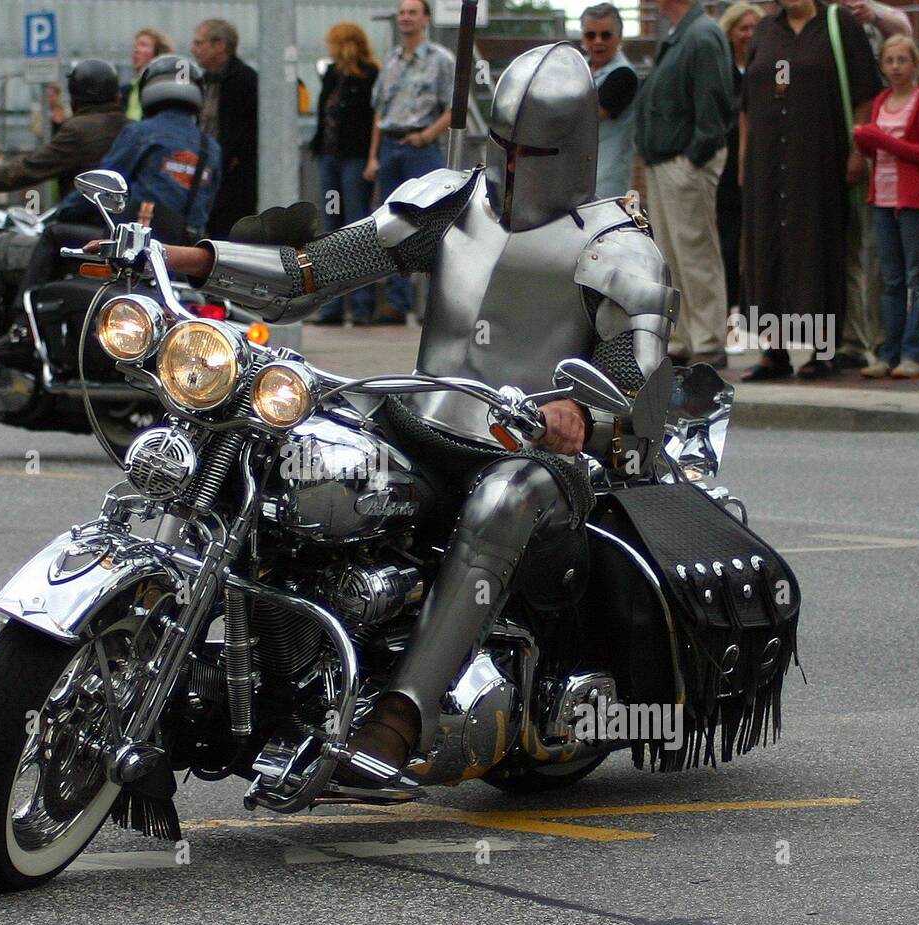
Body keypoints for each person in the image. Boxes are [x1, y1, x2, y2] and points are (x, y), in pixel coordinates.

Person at [140, 43, 676, 773]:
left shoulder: (618, 249)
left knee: (501, 501)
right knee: (292, 459)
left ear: (573, 147)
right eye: (505, 146)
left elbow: (640, 388)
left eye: (535, 152)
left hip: (540, 458)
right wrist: (198, 258)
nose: (514, 166)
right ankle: (270, 676)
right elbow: (313, 270)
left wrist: (586, 413)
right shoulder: (450, 203)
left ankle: (399, 722)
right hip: (419, 426)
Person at [0, 59, 126, 370]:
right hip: (120, 244)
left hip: (79, 244)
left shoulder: (79, 130)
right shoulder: (131, 128)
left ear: (75, 99)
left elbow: (24, 170)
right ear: (117, 96)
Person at [739, 0, 882, 381]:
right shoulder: (766, 30)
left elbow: (866, 94)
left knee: (819, 249)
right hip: (766, 164)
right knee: (767, 251)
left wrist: (858, 150)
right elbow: (746, 107)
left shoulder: (839, 24)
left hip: (820, 160)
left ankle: (823, 351)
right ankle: (774, 351)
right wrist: (742, 164)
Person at [23, 54, 223, 293]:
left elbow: (106, 179)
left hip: (133, 247)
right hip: (183, 253)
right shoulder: (210, 147)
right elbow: (208, 203)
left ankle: (22, 320)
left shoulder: (140, 133)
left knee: (53, 235)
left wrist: (64, 212)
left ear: (148, 90)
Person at [634, 0, 734, 368]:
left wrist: (695, 157)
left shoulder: (702, 34)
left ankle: (708, 339)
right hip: (666, 160)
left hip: (684, 161)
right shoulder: (683, 35)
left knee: (695, 251)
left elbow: (714, 102)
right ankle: (685, 337)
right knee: (673, 255)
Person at [854, 35, 919, 380]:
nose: (895, 67)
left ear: (915, 64)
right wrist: (865, 141)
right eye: (889, 61)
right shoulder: (881, 100)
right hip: (882, 198)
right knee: (889, 280)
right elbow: (878, 150)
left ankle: (916, 354)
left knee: (917, 278)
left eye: (902, 60)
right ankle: (888, 353)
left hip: (914, 200)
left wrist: (882, 139)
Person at [835, 0, 917, 370]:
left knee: (878, 254)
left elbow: (901, 30)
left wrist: (873, 14)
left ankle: (884, 341)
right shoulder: (820, 18)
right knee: (846, 249)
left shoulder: (869, 14)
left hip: (875, 154)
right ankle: (850, 338)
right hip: (834, 148)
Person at [363, 0, 455, 324]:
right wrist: (373, 156)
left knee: (430, 223)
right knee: (389, 225)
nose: (405, 18)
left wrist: (426, 136)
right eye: (402, 12)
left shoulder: (441, 61)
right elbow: (379, 112)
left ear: (426, 19)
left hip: (420, 147)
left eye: (412, 12)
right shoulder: (390, 61)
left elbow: (453, 108)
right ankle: (395, 303)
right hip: (390, 145)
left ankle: (434, 305)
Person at [309, 21, 380, 325]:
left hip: (354, 156)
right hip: (331, 156)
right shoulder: (333, 74)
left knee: (357, 226)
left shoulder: (369, 75)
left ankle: (362, 306)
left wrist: (371, 158)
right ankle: (332, 306)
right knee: (330, 227)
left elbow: (374, 117)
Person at [191, 19, 258, 239]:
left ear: (220, 45)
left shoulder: (244, 80)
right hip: (205, 171)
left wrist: (233, 157)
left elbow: (250, 129)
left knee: (228, 234)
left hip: (233, 179)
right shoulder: (202, 80)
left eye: (199, 43)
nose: (194, 50)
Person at [717, 3, 762, 318]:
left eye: (753, 28)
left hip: (761, 166)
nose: (748, 35)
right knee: (728, 242)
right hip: (727, 168)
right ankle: (731, 304)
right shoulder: (721, 71)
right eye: (742, 28)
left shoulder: (768, 68)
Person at [581, 2, 637, 201]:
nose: (597, 41)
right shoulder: (582, 70)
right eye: (590, 35)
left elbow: (586, 115)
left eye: (605, 35)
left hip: (606, 181)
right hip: (578, 176)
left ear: (619, 38)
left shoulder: (624, 75)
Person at [122, 28, 174, 121]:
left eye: (143, 45)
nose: (136, 50)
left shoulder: (166, 90)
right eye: (135, 46)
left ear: (158, 53)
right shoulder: (126, 90)